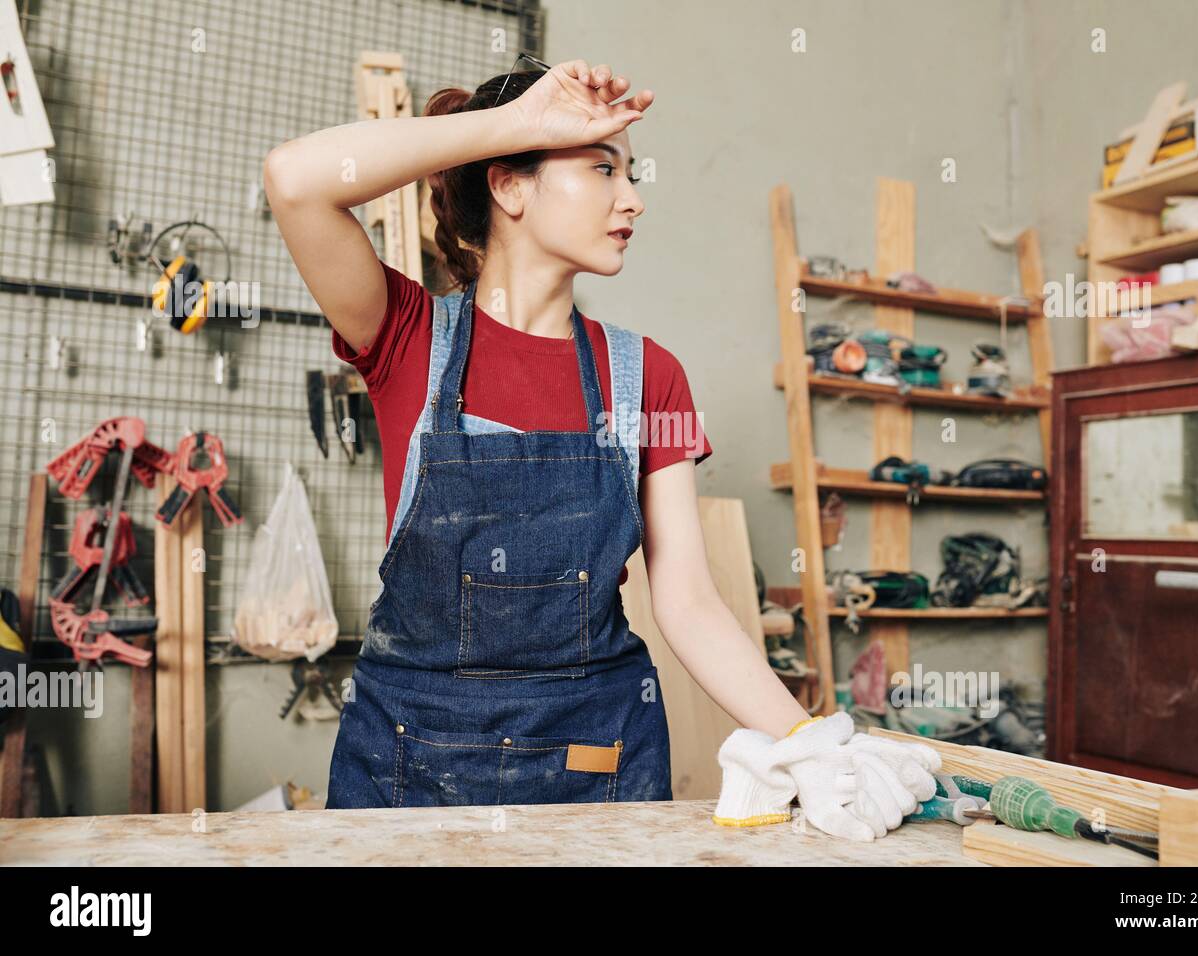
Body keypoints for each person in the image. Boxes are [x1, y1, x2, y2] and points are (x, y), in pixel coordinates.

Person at [265, 57, 937, 833]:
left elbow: (686, 602)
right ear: (509, 186)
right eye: (600, 168)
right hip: (412, 760)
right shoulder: (407, 336)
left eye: (631, 174)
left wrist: (809, 742)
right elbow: (295, 180)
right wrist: (514, 124)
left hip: (596, 757)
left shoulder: (652, 378)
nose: (634, 201)